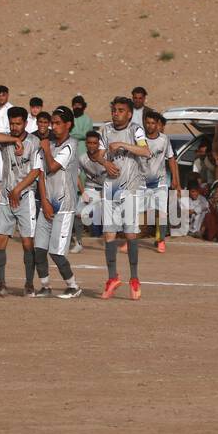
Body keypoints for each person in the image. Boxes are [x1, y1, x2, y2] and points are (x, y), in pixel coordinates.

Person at [20, 107, 83, 298]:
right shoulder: (46, 144)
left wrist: (46, 149)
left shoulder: (71, 145)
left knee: (56, 253)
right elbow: (40, 175)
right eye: (51, 123)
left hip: (64, 206)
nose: (52, 126)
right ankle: (45, 287)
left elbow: (53, 167)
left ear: (68, 125)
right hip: (47, 205)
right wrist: (45, 202)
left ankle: (73, 286)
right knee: (39, 250)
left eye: (57, 123)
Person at [98, 96, 150, 299]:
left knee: (130, 235)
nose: (116, 113)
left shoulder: (135, 129)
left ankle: (134, 278)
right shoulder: (105, 129)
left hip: (130, 188)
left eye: (121, 110)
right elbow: (99, 154)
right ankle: (113, 277)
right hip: (111, 189)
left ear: (129, 113)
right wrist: (105, 163)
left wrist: (123, 145)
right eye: (114, 110)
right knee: (109, 234)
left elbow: (145, 151)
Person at [0, 107, 41, 297]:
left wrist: (18, 189)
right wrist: (14, 139)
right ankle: (1, 284)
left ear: (26, 123)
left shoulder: (35, 143)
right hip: (5, 198)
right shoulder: (7, 140)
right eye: (12, 123)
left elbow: (36, 171)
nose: (15, 127)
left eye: (18, 123)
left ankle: (29, 284)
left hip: (25, 198)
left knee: (27, 243)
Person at [141, 110, 180, 252]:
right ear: (145, 123)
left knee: (162, 211)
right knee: (136, 211)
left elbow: (171, 158)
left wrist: (175, 179)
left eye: (153, 123)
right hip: (142, 181)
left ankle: (161, 240)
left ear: (158, 125)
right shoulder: (139, 139)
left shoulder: (164, 139)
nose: (150, 126)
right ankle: (130, 239)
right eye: (148, 123)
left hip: (160, 181)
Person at [78, 130, 107, 242]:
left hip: (106, 189)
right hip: (90, 188)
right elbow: (76, 175)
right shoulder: (82, 158)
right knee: (78, 213)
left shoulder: (107, 156)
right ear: (85, 143)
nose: (92, 145)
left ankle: (103, 239)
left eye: (95, 143)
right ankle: (80, 241)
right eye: (89, 143)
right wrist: (83, 192)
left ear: (99, 144)